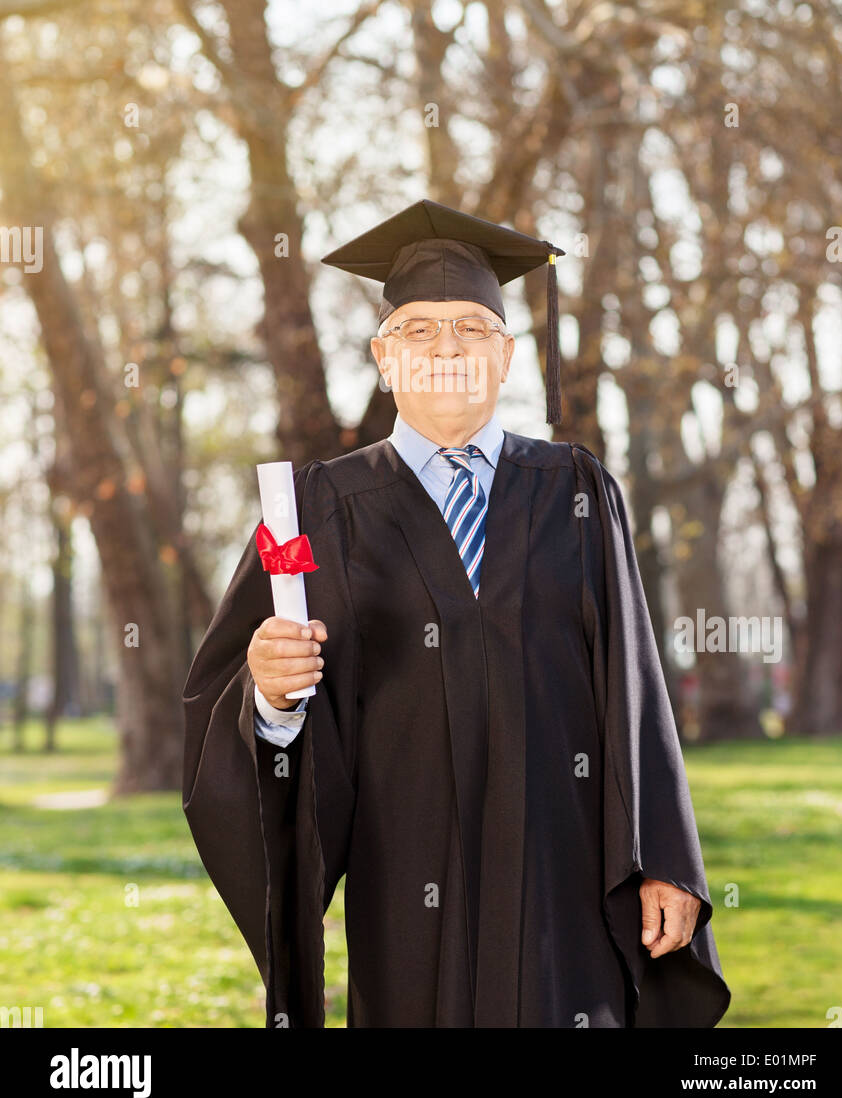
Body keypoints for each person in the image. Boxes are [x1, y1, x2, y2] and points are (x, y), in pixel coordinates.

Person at [182, 198, 731, 1028]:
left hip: (564, 872)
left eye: (473, 329)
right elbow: (240, 713)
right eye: (419, 331)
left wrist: (665, 860)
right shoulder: (318, 509)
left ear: (507, 356)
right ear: (382, 357)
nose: (446, 349)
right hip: (404, 882)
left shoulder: (577, 490)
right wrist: (271, 699)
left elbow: (635, 685)